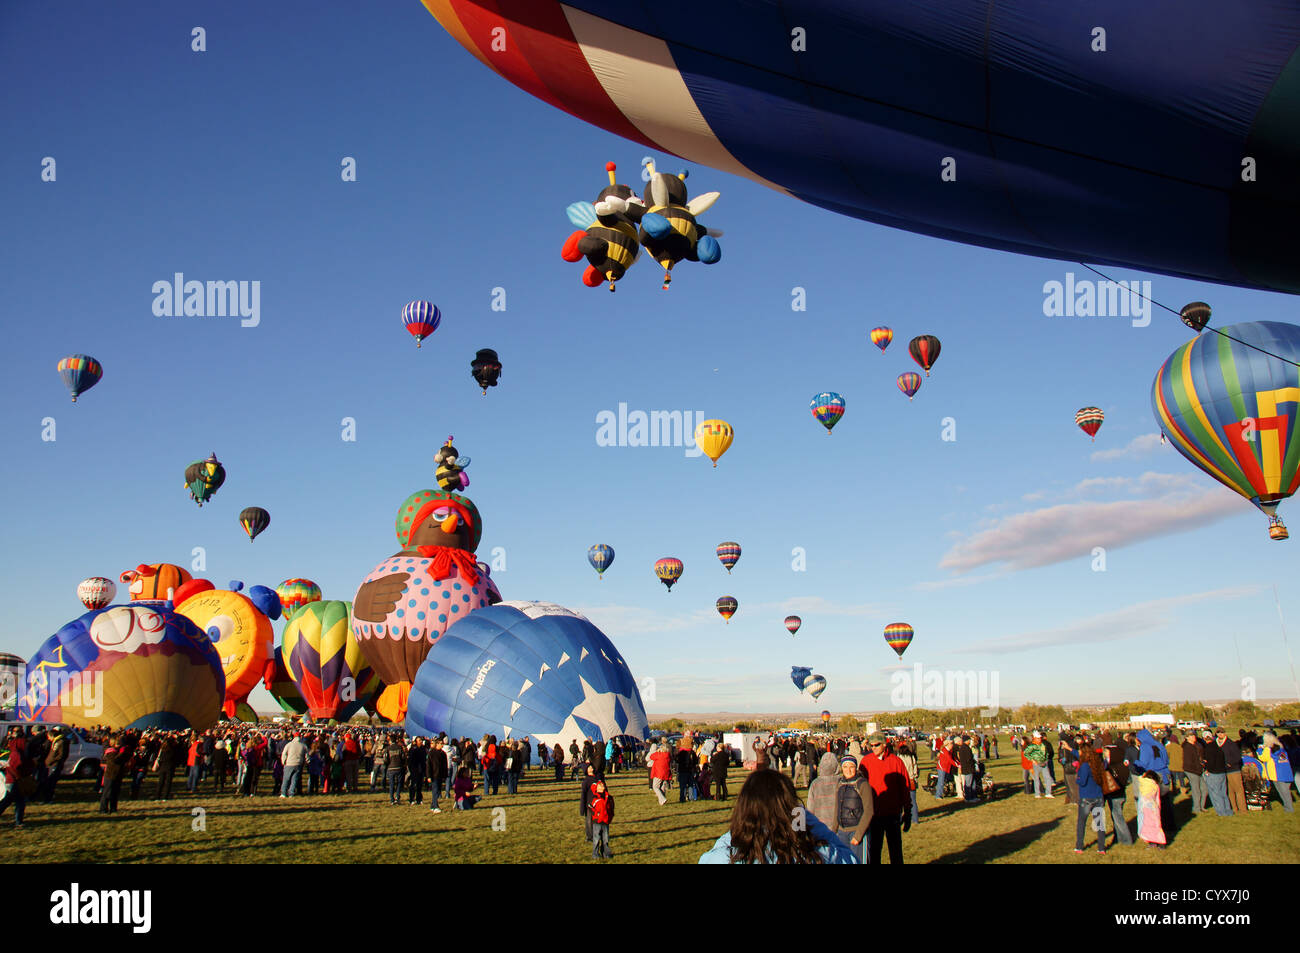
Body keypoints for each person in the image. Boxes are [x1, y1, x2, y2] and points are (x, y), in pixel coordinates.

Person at [700, 768, 857, 863]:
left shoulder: (724, 858)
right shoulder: (818, 854)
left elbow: (713, 854)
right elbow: (851, 859)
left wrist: (744, 826)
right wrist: (803, 816)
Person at [859, 736, 910, 864]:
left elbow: (905, 788)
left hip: (893, 814)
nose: (873, 748)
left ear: (884, 745)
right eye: (871, 745)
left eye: (876, 745)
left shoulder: (896, 762)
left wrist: (908, 812)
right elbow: (859, 787)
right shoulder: (866, 761)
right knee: (874, 852)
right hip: (873, 814)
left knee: (896, 851)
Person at [827, 755, 873, 862]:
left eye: (851, 766)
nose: (848, 770)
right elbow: (837, 809)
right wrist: (833, 831)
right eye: (845, 767)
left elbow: (869, 810)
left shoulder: (862, 784)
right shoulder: (840, 783)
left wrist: (858, 835)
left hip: (856, 830)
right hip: (842, 832)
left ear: (856, 768)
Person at [1073, 742, 1106, 854]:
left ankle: (1079, 846)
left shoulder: (1085, 766)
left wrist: (1077, 778)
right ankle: (1101, 848)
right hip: (1098, 796)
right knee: (1099, 823)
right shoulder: (1098, 764)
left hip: (1087, 797)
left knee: (1081, 822)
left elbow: (1082, 781)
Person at [1101, 734, 1133, 847]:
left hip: (1116, 794)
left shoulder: (1115, 767)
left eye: (1107, 753)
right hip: (1116, 794)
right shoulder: (1120, 765)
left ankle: (1126, 840)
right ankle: (1118, 837)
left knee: (1118, 817)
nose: (1106, 755)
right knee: (1115, 816)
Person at [0, 726, 33, 828]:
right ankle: (19, 822)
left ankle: (19, 821)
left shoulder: (12, 752)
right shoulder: (16, 754)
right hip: (14, 780)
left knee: (7, 801)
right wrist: (19, 777)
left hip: (11, 779)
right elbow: (13, 767)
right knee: (19, 802)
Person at [1259, 733, 1294, 813]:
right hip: (1286, 772)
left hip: (1276, 773)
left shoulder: (1268, 749)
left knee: (1282, 792)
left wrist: (1260, 750)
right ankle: (1289, 807)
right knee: (1286, 791)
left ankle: (1289, 808)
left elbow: (1263, 758)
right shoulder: (1281, 747)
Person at [1200, 730, 1232, 816]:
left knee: (1216, 794)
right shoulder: (1218, 747)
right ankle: (1228, 811)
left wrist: (1206, 767)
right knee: (1223, 793)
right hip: (1222, 772)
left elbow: (1210, 762)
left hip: (1213, 773)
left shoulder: (1207, 749)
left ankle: (1221, 812)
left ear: (1204, 739)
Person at [1218, 729, 1247, 816]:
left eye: (1222, 732)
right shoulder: (1217, 744)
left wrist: (1230, 763)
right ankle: (1234, 808)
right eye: (1218, 733)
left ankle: (1243, 809)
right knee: (1230, 791)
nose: (1220, 734)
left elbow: (1238, 757)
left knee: (1239, 790)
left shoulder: (1231, 744)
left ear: (1225, 733)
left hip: (1234, 770)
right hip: (1224, 771)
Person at [1137, 771, 1166, 849]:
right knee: (1156, 826)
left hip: (1144, 809)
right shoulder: (1155, 786)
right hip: (1153, 809)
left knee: (1147, 826)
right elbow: (1157, 799)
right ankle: (1161, 843)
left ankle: (1152, 842)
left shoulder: (1142, 785)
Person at [589, 779, 615, 861]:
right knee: (596, 838)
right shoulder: (595, 798)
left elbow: (611, 807)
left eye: (603, 786)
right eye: (600, 786)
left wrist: (610, 816)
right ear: (596, 788)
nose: (602, 787)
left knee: (606, 838)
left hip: (606, 820)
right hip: (597, 821)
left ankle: (606, 853)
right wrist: (596, 816)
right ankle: (595, 853)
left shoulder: (608, 797)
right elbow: (591, 809)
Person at [1025, 731, 1052, 798]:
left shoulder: (1043, 745)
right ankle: (1037, 793)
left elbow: (1046, 753)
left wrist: (1046, 760)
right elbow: (1026, 753)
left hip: (1044, 763)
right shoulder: (1032, 746)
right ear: (1034, 738)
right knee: (1036, 779)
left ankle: (1048, 793)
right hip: (1036, 764)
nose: (1039, 739)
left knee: (1048, 778)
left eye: (1040, 738)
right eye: (1038, 738)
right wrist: (1032, 760)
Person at [280, 733, 308, 798]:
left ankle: (283, 793)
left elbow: (284, 753)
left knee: (286, 779)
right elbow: (307, 756)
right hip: (298, 764)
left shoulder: (289, 744)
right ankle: (291, 793)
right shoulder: (303, 745)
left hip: (289, 763)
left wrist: (283, 762)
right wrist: (306, 763)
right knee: (294, 780)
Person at [580, 764, 600, 841]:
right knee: (589, 821)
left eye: (592, 766)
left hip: (597, 803)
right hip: (589, 804)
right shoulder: (586, 781)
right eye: (590, 767)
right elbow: (583, 795)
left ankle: (597, 834)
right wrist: (582, 808)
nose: (592, 767)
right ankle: (589, 836)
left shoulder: (596, 778)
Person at [428, 739, 448, 813]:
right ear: (437, 744)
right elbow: (428, 765)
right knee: (435, 790)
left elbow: (445, 765)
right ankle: (436, 806)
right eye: (440, 743)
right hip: (434, 775)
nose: (442, 745)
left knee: (438, 790)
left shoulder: (443, 754)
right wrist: (429, 776)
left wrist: (445, 775)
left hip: (440, 775)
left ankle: (432, 805)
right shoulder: (431, 753)